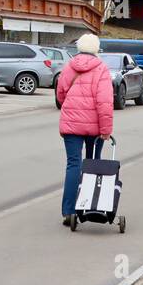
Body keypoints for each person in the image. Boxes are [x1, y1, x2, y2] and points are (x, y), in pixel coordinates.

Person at [56, 33, 113, 224]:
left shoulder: (69, 66)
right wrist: (106, 130)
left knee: (73, 165)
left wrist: (71, 109)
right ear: (96, 49)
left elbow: (61, 94)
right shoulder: (102, 69)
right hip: (95, 127)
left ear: (79, 47)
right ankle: (89, 205)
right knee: (92, 164)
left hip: (71, 125)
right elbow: (104, 102)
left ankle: (68, 211)